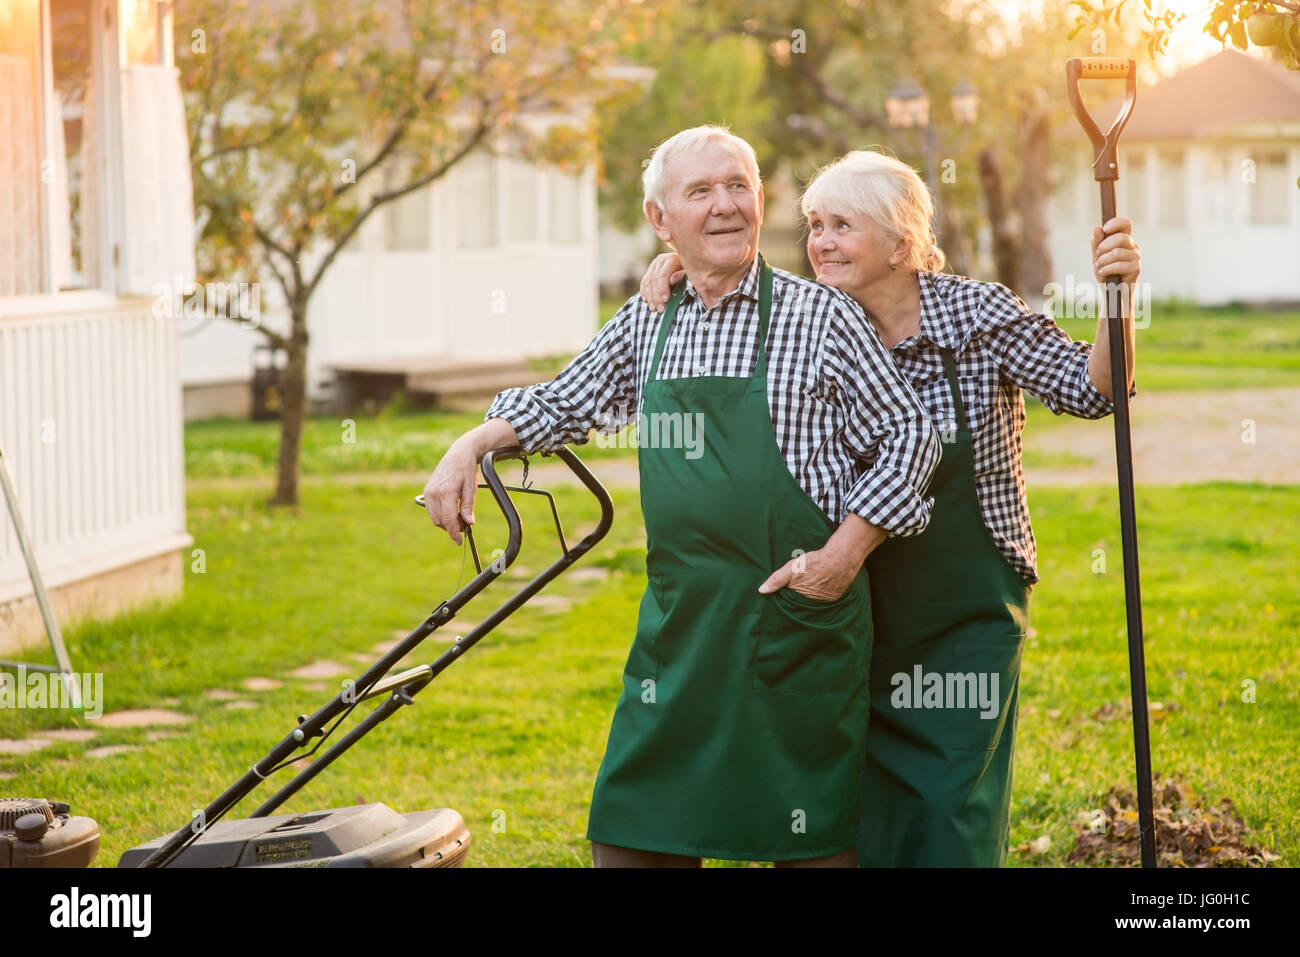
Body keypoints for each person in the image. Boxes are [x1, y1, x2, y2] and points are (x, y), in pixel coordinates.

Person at [422, 127, 940, 867]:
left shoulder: (821, 317)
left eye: (739, 186)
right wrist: (471, 443)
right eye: (700, 192)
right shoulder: (651, 318)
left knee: (810, 843)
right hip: (680, 635)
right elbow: (569, 398)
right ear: (661, 220)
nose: (726, 206)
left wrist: (843, 553)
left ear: (761, 201)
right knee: (632, 834)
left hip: (793, 625)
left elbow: (912, 436)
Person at [639, 147, 1141, 867]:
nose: (821, 242)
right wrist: (679, 266)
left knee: (947, 807)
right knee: (860, 805)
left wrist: (1117, 299)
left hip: (965, 612)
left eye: (842, 225)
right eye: (814, 224)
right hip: (859, 603)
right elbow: (735, 283)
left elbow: (1095, 390)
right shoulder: (815, 319)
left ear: (902, 243)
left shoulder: (977, 314)